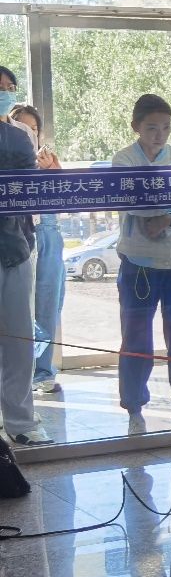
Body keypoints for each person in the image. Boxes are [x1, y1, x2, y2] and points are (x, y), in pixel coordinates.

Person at [113, 94, 171, 436]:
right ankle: (134, 408)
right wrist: (162, 209)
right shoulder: (124, 160)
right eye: (152, 128)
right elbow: (127, 200)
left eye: (165, 127)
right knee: (136, 339)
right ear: (136, 126)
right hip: (139, 264)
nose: (159, 134)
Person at [0, 66, 50, 446]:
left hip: (15, 249)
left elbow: (29, 191)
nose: (5, 92)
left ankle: (20, 422)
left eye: (9, 87)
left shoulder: (19, 136)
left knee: (18, 341)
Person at [11, 104, 65, 396]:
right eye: (23, 127)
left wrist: (53, 172)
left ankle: (43, 372)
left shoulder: (48, 161)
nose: (29, 133)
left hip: (49, 232)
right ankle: (20, 375)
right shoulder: (11, 160)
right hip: (21, 235)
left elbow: (65, 198)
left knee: (48, 306)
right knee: (19, 309)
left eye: (34, 129)